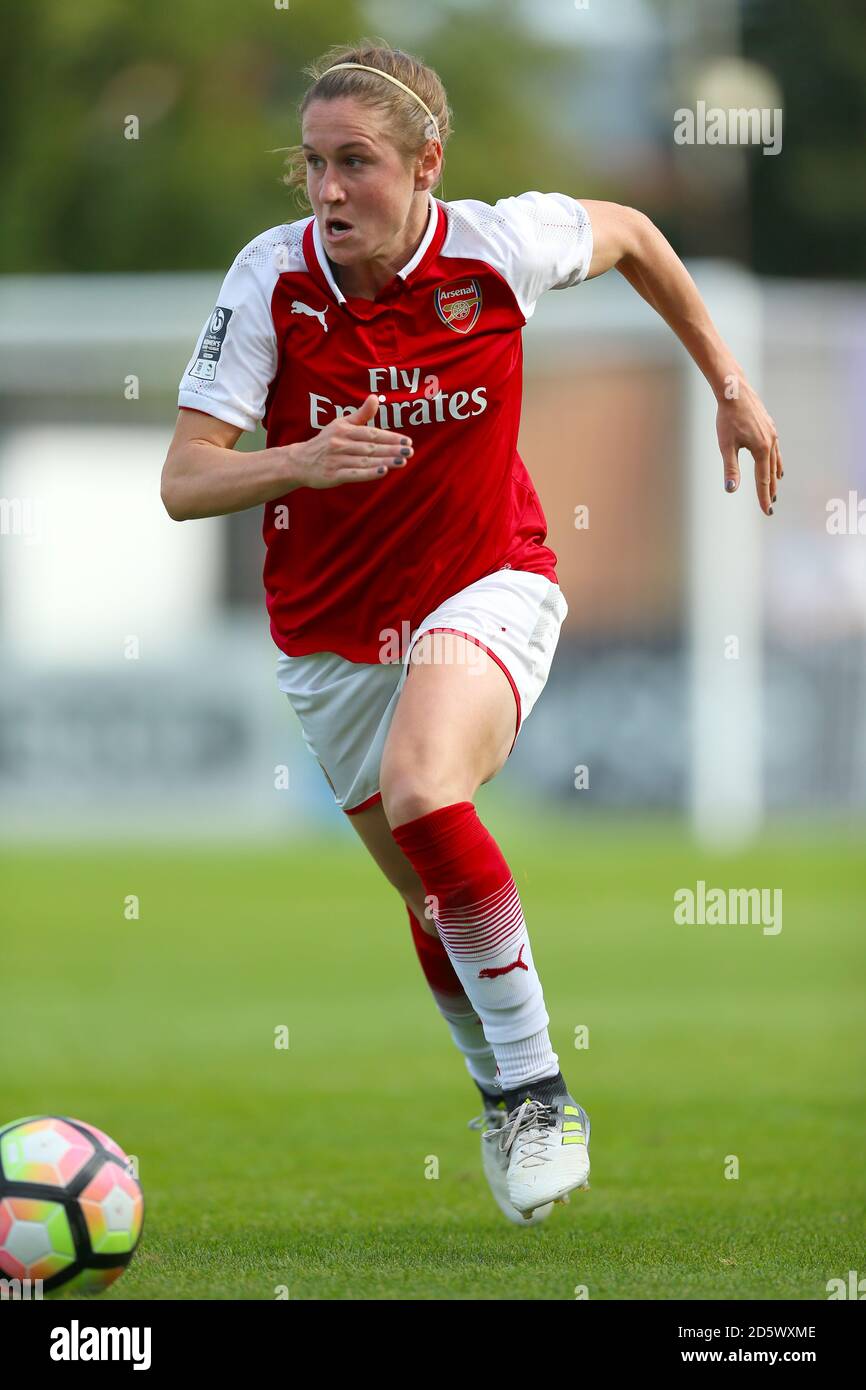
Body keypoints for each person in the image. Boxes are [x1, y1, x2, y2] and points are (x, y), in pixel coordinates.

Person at [161, 41, 782, 1223]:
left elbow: (639, 235)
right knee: (430, 896)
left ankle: (540, 1090)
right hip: (328, 637)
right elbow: (184, 479)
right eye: (312, 165)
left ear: (425, 164)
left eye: (357, 164)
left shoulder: (499, 246)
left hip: (486, 580)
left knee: (422, 786)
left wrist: (729, 386)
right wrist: (303, 461)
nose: (328, 190)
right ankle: (500, 1091)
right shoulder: (268, 281)